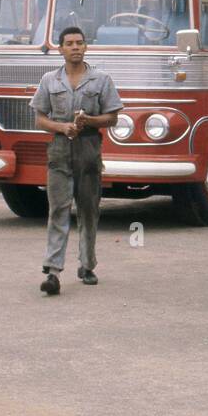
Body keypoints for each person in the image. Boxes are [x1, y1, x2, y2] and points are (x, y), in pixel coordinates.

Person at [30, 27, 123, 294]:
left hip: (89, 149)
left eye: (80, 43)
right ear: (60, 49)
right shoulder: (49, 80)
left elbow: (112, 117)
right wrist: (62, 128)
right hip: (59, 150)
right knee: (58, 209)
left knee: (89, 210)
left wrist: (89, 121)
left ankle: (87, 265)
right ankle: (53, 271)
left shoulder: (101, 79)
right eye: (69, 43)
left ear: (86, 47)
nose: (75, 47)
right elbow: (40, 119)